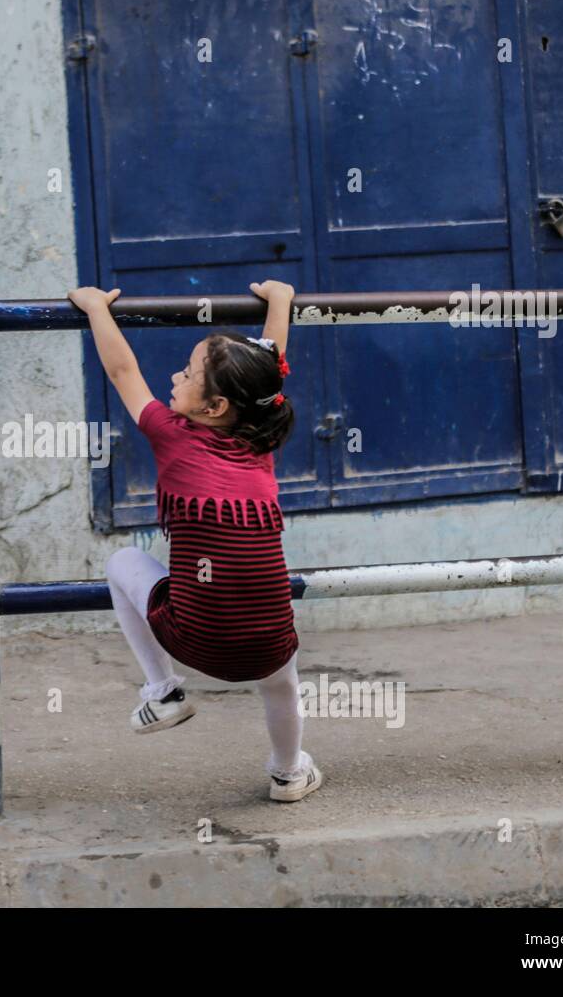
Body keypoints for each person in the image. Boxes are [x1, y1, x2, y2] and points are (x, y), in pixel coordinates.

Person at [69, 279, 321, 802]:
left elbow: (122, 370)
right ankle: (289, 773)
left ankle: (163, 690)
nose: (174, 376)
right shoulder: (261, 438)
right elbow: (267, 373)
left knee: (123, 560)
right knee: (282, 684)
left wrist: (96, 308)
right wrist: (281, 301)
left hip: (192, 638)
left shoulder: (169, 431)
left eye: (186, 375)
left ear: (213, 407)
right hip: (269, 645)